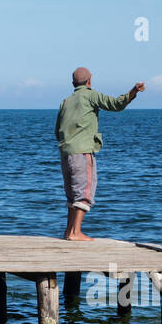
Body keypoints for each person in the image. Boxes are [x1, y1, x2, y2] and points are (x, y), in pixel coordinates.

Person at [55, 67, 144, 240]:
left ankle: (69, 232)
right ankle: (76, 233)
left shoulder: (65, 101)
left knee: (72, 195)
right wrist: (134, 91)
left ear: (73, 83)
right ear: (89, 82)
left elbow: (57, 130)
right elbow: (116, 104)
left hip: (66, 153)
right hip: (82, 151)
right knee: (84, 192)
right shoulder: (90, 95)